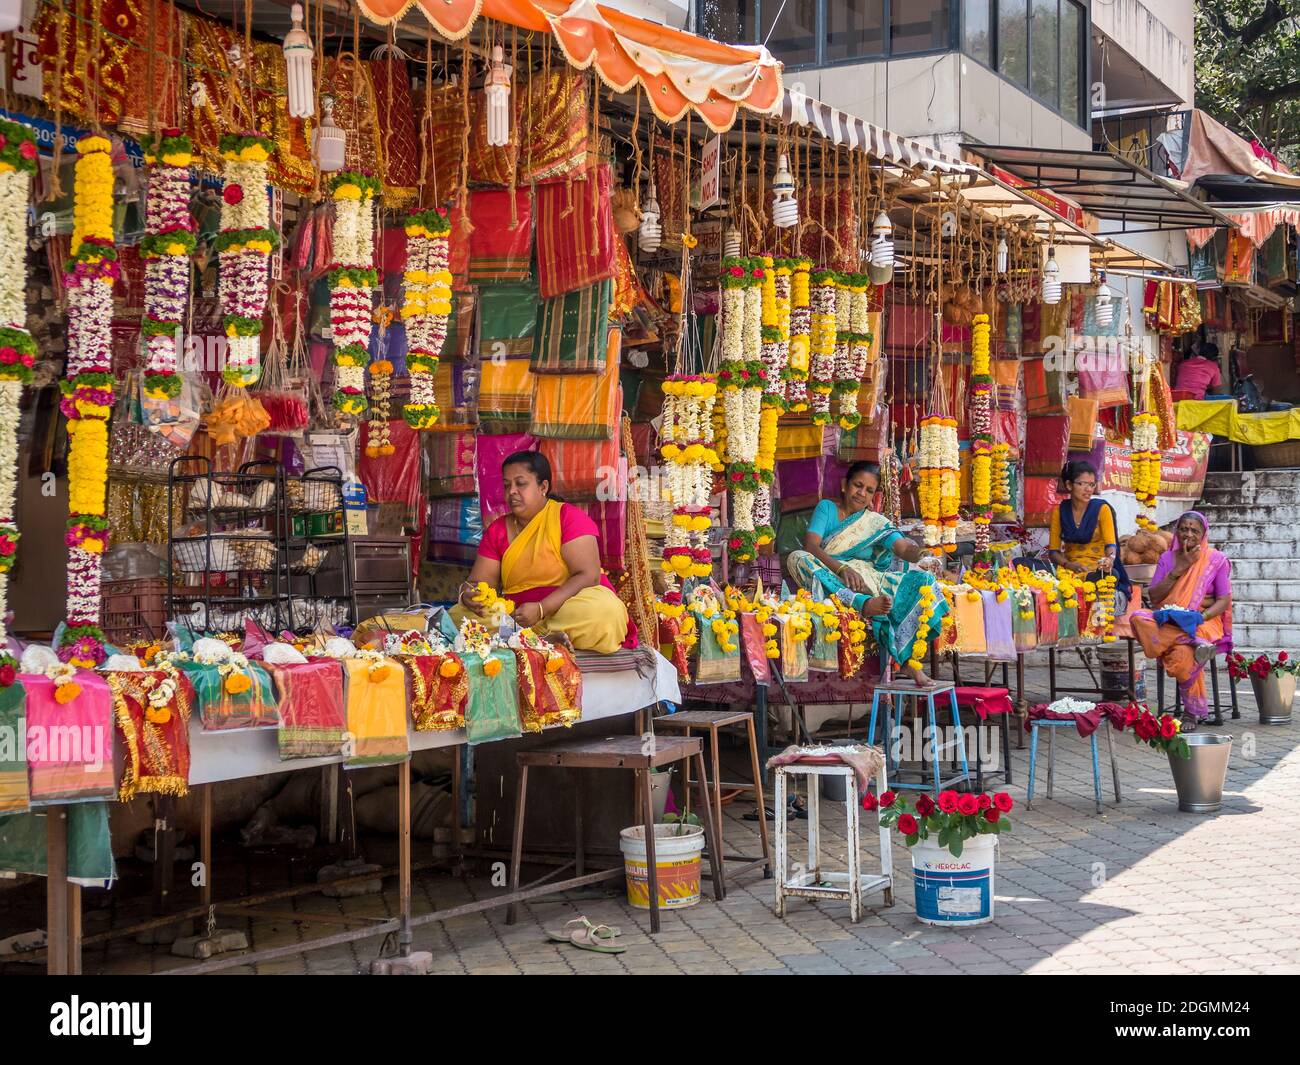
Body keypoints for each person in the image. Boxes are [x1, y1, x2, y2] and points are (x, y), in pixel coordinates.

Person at [786, 461, 948, 685]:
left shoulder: (875, 522)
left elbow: (902, 547)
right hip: (830, 576)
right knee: (797, 558)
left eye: (869, 490)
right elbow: (811, 547)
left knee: (922, 580)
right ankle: (862, 604)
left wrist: (923, 555)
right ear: (845, 485)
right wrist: (842, 569)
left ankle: (910, 662)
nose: (861, 493)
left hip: (868, 581)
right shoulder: (827, 508)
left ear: (874, 496)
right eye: (857, 485)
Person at [453, 451, 631, 654]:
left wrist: (541, 608)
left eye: (520, 484)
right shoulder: (498, 529)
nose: (511, 491)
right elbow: (478, 582)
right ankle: (540, 638)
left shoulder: (568, 517)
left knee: (604, 612)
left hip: (565, 606)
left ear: (543, 487)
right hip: (517, 616)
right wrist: (468, 592)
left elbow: (588, 575)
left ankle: (526, 638)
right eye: (506, 485)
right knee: (459, 615)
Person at [1130, 511, 1232, 730]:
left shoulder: (1216, 560)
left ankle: (1190, 714)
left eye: (1195, 530)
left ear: (1204, 535)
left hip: (1203, 621)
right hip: (1168, 619)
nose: (1188, 534)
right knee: (1138, 617)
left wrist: (1198, 617)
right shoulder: (1167, 558)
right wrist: (1179, 568)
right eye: (1184, 528)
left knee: (1183, 654)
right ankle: (1193, 642)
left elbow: (1223, 600)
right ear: (1176, 532)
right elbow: (1154, 596)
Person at [1048, 460, 1132, 613]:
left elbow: (1110, 545)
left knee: (1109, 575)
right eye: (1083, 484)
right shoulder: (1059, 511)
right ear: (1069, 485)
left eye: (1092, 485)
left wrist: (1109, 560)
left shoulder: (1102, 508)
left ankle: (1096, 618)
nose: (1088, 490)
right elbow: (1053, 551)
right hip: (1070, 569)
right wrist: (1068, 565)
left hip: (1097, 569)